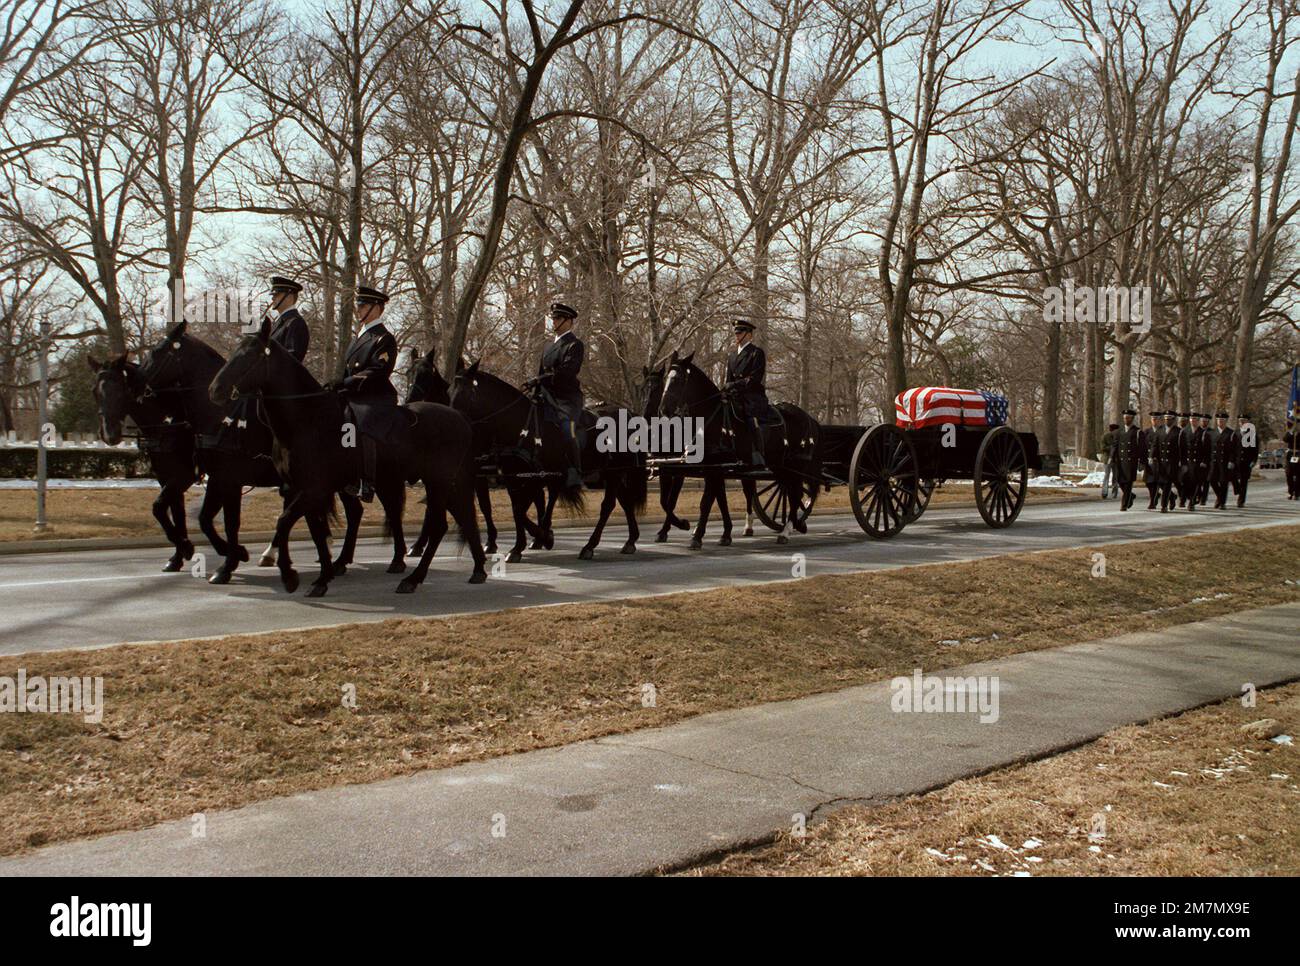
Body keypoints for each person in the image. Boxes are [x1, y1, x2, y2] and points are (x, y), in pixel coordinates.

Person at [334, 285, 399, 502]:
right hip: (354, 394)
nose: (359, 309)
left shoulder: (383, 338)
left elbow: (378, 371)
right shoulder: (359, 336)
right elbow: (347, 367)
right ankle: (345, 469)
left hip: (375, 396)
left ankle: (367, 481)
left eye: (363, 306)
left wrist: (348, 382)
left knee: (363, 424)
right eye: (359, 305)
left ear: (377, 308)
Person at [531, 301, 585, 489]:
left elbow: (567, 372)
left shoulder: (574, 345)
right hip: (545, 395)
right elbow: (540, 372)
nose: (554, 322)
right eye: (553, 319)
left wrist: (542, 379)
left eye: (558, 319)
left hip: (566, 398)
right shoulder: (547, 347)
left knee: (566, 428)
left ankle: (574, 471)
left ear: (569, 322)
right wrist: (535, 385)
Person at [723, 318, 779, 466]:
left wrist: (734, 384)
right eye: (735, 333)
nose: (736, 336)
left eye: (740, 333)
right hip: (734, 397)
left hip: (752, 397)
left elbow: (754, 379)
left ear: (749, 335)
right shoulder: (732, 356)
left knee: (750, 418)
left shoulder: (756, 353)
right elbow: (728, 380)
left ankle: (757, 453)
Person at [267, 276, 310, 363]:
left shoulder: (296, 323)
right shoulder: (280, 322)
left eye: (277, 294)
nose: (272, 298)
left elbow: (291, 360)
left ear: (289, 297)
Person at [1109, 408, 1142, 511]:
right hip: (1120, 461)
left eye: (1128, 418)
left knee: (1128, 483)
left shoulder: (1137, 432)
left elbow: (1142, 448)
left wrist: (1142, 462)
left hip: (1131, 462)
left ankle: (1124, 505)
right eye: (1124, 418)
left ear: (1132, 419)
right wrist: (1111, 457)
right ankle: (1130, 496)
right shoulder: (1118, 432)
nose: (1126, 420)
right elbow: (1115, 446)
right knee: (1119, 481)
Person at [1208, 411, 1238, 510]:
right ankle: (1220, 497)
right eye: (1218, 420)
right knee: (1212, 480)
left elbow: (1234, 449)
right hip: (1214, 461)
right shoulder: (1212, 433)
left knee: (1223, 482)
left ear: (1226, 421)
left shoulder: (1231, 433)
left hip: (1225, 461)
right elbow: (1209, 448)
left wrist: (1231, 461)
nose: (1220, 422)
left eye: (1222, 420)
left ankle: (1222, 503)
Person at [1154, 409, 1183, 512]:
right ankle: (1172, 497)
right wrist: (1152, 456)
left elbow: (1182, 448)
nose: (1167, 421)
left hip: (1172, 463)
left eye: (1169, 419)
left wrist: (1181, 462)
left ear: (1173, 420)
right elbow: (1155, 445)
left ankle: (1164, 505)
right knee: (1159, 482)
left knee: (1167, 484)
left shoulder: (1178, 432)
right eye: (1166, 419)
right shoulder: (1159, 430)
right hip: (1161, 462)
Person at [1235, 413, 1258, 507]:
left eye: (1244, 420)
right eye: (1240, 421)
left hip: (1246, 462)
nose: (1242, 422)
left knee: (1244, 482)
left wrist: (1253, 461)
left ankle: (1241, 501)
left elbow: (1255, 450)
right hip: (1236, 461)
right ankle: (1237, 490)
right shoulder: (1235, 433)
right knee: (1233, 478)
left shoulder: (1252, 434)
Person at [1141, 410, 1163, 510]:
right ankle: (1168, 496)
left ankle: (1152, 502)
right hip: (1149, 460)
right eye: (1153, 419)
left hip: (1159, 460)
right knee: (1148, 482)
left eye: (1156, 419)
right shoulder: (1146, 432)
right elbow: (1143, 446)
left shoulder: (1163, 431)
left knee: (1158, 482)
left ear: (1159, 420)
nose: (1154, 421)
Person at [1195, 412, 1214, 505]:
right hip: (1197, 460)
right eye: (1202, 421)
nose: (1204, 423)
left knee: (1206, 480)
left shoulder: (1211, 432)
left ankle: (1204, 499)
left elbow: (1212, 449)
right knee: (1197, 480)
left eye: (1206, 421)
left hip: (1208, 460)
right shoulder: (1196, 431)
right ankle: (1199, 495)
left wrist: (1206, 461)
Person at [1100, 422, 1119, 499]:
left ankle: (1114, 492)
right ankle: (1104, 492)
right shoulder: (1105, 436)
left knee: (1115, 477)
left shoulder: (1119, 437)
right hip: (1107, 459)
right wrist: (1111, 448)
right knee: (1106, 476)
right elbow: (1102, 448)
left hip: (1116, 459)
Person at [1284, 414, 1299, 500]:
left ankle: (1297, 493)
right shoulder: (1290, 433)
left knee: (1298, 475)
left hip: (1299, 454)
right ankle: (1291, 492)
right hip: (1290, 454)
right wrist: (1291, 432)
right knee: (1289, 474)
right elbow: (1285, 439)